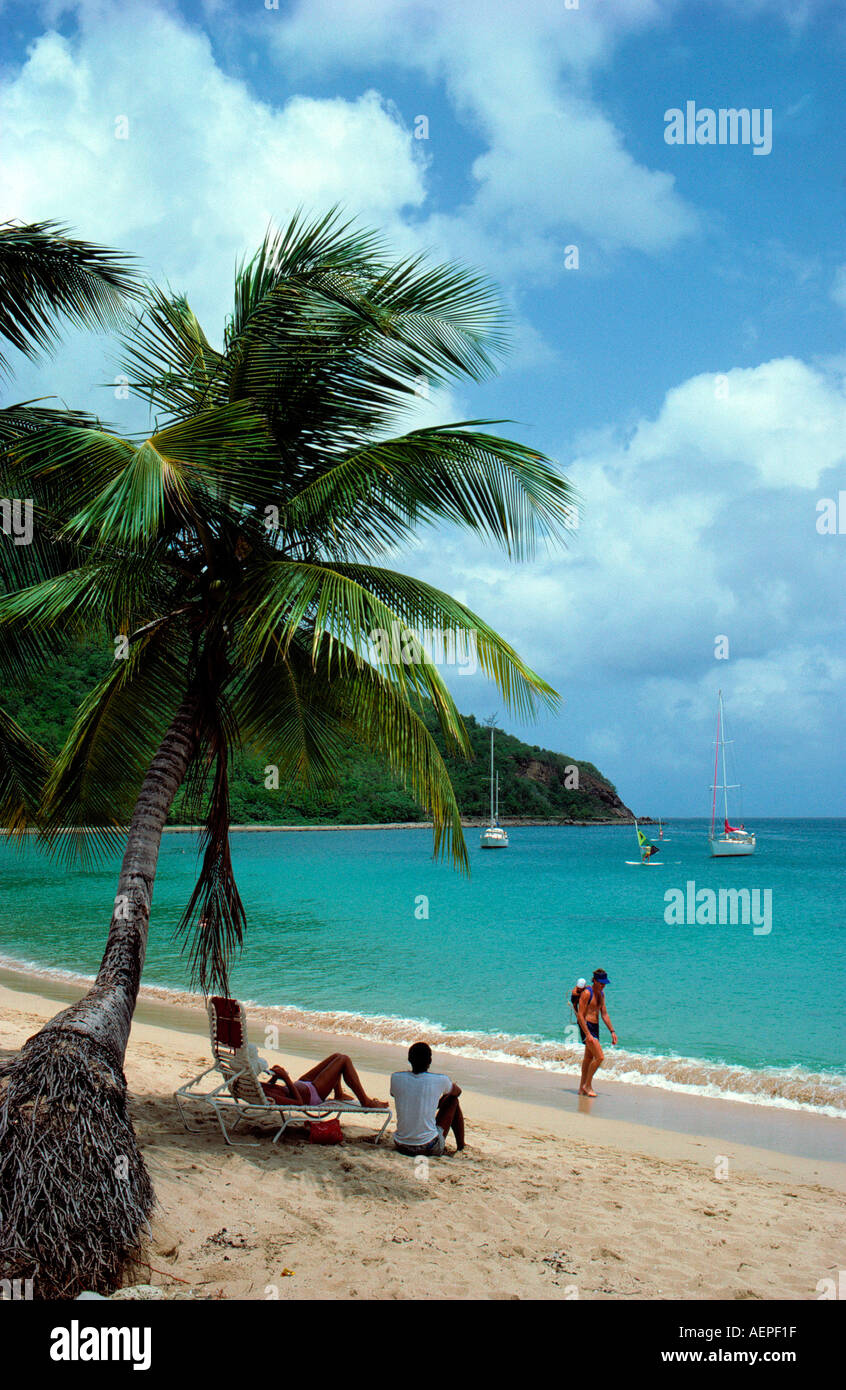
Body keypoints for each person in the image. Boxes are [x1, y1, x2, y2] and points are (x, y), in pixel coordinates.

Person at [390, 1042, 464, 1156]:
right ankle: (461, 1145)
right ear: (430, 1061)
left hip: (401, 1145)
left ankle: (461, 1145)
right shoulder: (440, 1080)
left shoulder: (396, 1078)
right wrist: (446, 1093)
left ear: (409, 1059)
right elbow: (458, 1092)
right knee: (453, 1100)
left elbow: (396, 1094)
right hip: (429, 1147)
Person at [266, 1053, 387, 1109]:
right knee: (343, 1059)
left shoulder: (257, 1087)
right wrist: (286, 1079)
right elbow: (299, 1103)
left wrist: (275, 1077)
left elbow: (273, 1089)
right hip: (312, 1094)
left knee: (336, 1056)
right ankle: (365, 1101)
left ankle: (339, 1094)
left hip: (302, 1085)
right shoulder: (266, 1094)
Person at [577, 969, 617, 1097]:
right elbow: (580, 1016)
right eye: (601, 983)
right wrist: (587, 1034)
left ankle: (581, 1087)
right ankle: (587, 1085)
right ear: (594, 980)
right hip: (587, 1026)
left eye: (604, 983)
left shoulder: (602, 994)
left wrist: (612, 1031)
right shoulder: (586, 994)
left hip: (595, 1026)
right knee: (600, 1057)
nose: (603, 985)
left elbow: (604, 1014)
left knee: (588, 1058)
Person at [570, 977, 588, 1043]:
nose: (580, 989)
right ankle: (585, 1043)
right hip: (579, 1007)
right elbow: (575, 1006)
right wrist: (578, 1017)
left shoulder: (586, 990)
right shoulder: (574, 993)